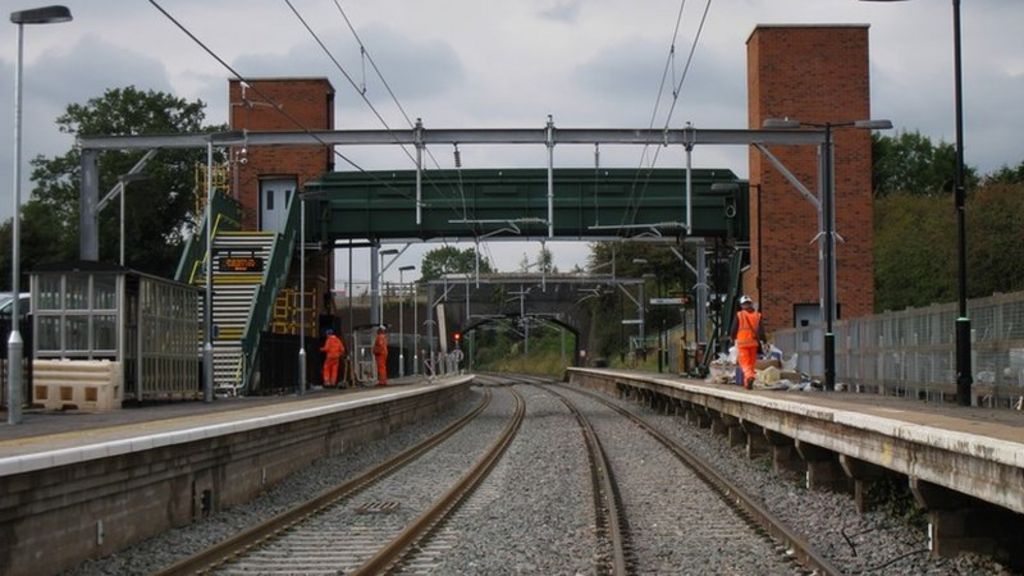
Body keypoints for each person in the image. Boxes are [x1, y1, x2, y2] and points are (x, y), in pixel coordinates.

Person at [731, 295, 766, 390]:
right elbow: (761, 331)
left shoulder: (740, 315)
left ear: (742, 305)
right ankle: (747, 383)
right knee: (751, 363)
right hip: (753, 343)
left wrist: (732, 338)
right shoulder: (757, 315)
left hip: (743, 344)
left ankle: (750, 377)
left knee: (745, 364)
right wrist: (764, 341)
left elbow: (734, 329)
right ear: (751, 304)